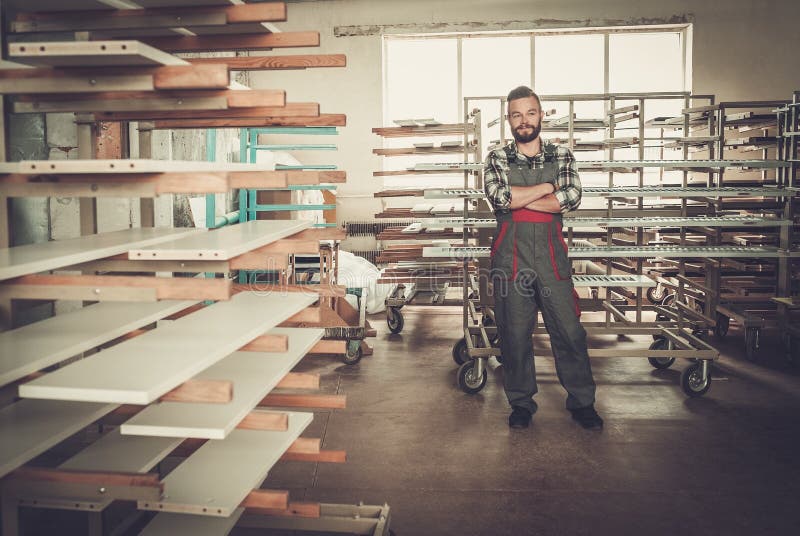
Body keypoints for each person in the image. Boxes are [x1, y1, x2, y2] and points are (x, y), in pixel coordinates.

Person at [483, 85, 602, 430]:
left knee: (569, 332)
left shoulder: (561, 155)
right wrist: (548, 189)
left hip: (551, 260)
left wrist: (519, 198)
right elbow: (498, 197)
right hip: (511, 261)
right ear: (508, 120)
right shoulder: (496, 158)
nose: (524, 120)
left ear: (541, 115)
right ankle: (521, 403)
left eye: (530, 113)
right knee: (515, 334)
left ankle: (582, 402)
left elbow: (573, 196)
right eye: (516, 115)